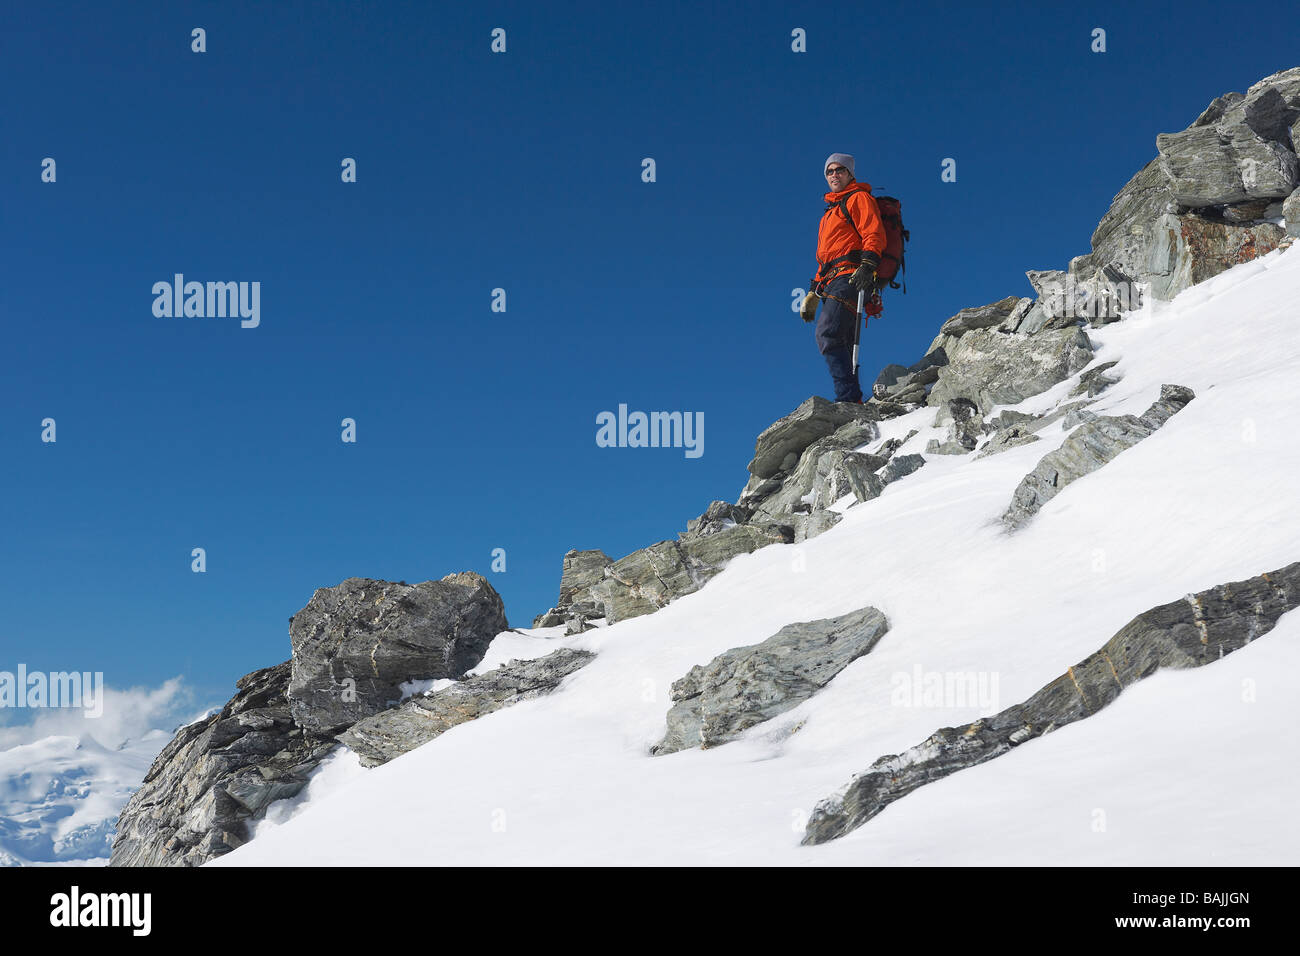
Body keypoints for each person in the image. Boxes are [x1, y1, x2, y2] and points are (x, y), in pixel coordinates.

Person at [800, 153, 887, 403]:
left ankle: (847, 397)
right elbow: (825, 260)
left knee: (827, 333)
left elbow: (873, 232)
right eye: (829, 171)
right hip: (832, 280)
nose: (834, 175)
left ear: (850, 174)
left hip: (851, 276)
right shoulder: (829, 213)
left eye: (840, 170)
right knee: (843, 339)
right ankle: (853, 398)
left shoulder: (858, 198)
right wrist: (813, 293)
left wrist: (868, 264)